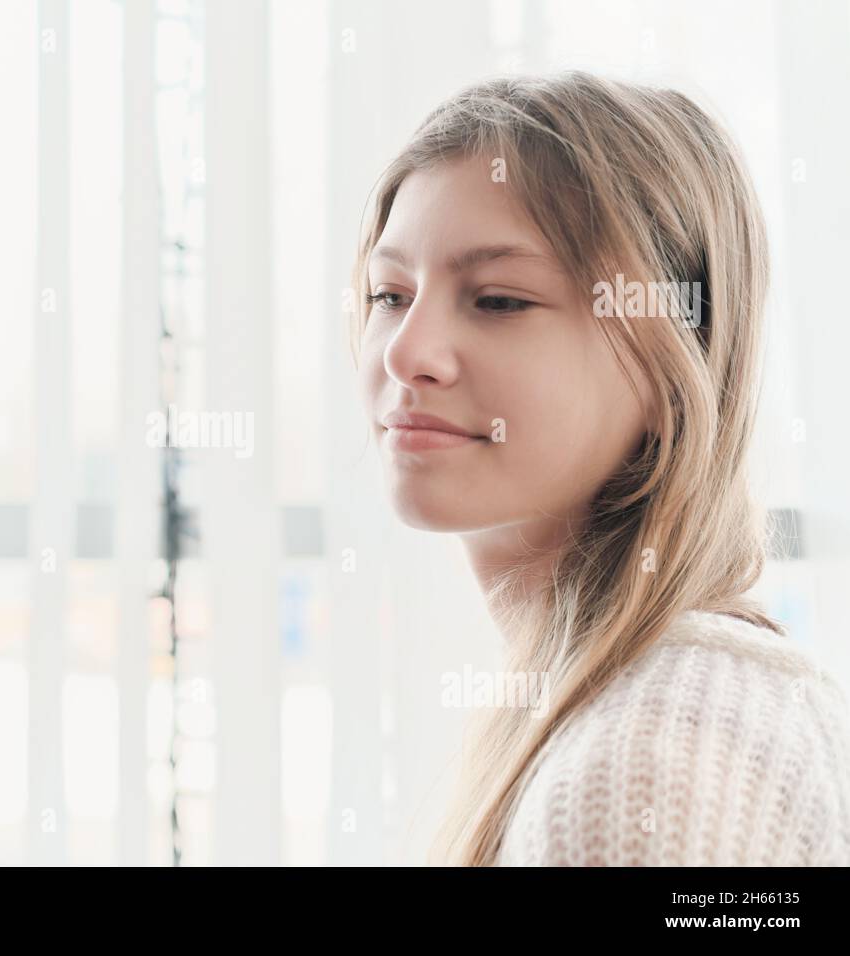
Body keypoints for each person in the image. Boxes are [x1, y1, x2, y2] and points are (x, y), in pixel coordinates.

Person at [352, 71, 850, 865]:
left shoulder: (654, 766)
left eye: (499, 300)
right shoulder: (625, 709)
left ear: (670, 365)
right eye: (389, 294)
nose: (407, 352)